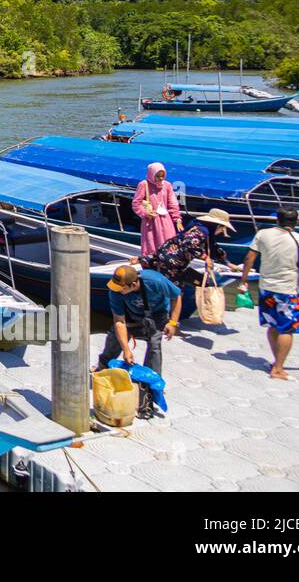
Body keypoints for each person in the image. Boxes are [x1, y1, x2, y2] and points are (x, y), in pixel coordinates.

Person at [237, 206, 299, 381]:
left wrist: (244, 280)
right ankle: (278, 368)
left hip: (266, 287)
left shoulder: (263, 234)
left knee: (272, 325)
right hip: (287, 291)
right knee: (287, 329)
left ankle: (276, 362)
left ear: (277, 219)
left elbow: (249, 258)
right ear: (296, 222)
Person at [95, 263, 182, 418]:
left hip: (157, 315)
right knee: (113, 339)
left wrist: (173, 322)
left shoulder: (155, 281)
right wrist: (127, 350)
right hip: (131, 315)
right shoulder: (115, 291)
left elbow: (177, 296)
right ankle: (102, 372)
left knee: (155, 345)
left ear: (134, 284)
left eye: (122, 288)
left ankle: (151, 388)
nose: (117, 291)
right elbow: (119, 321)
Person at [136, 208, 236, 286]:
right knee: (176, 293)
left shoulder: (203, 230)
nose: (223, 231)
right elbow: (189, 245)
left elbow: (214, 249)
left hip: (165, 256)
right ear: (217, 225)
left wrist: (228, 264)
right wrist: (205, 258)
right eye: (223, 228)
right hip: (171, 261)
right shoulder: (201, 231)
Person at [133, 162, 183, 257]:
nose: (161, 178)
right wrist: (146, 213)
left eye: (162, 176)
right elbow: (136, 204)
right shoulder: (144, 184)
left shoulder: (167, 185)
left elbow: (173, 203)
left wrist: (177, 220)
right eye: (158, 176)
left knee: (169, 244)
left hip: (166, 221)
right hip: (151, 222)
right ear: (152, 174)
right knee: (152, 246)